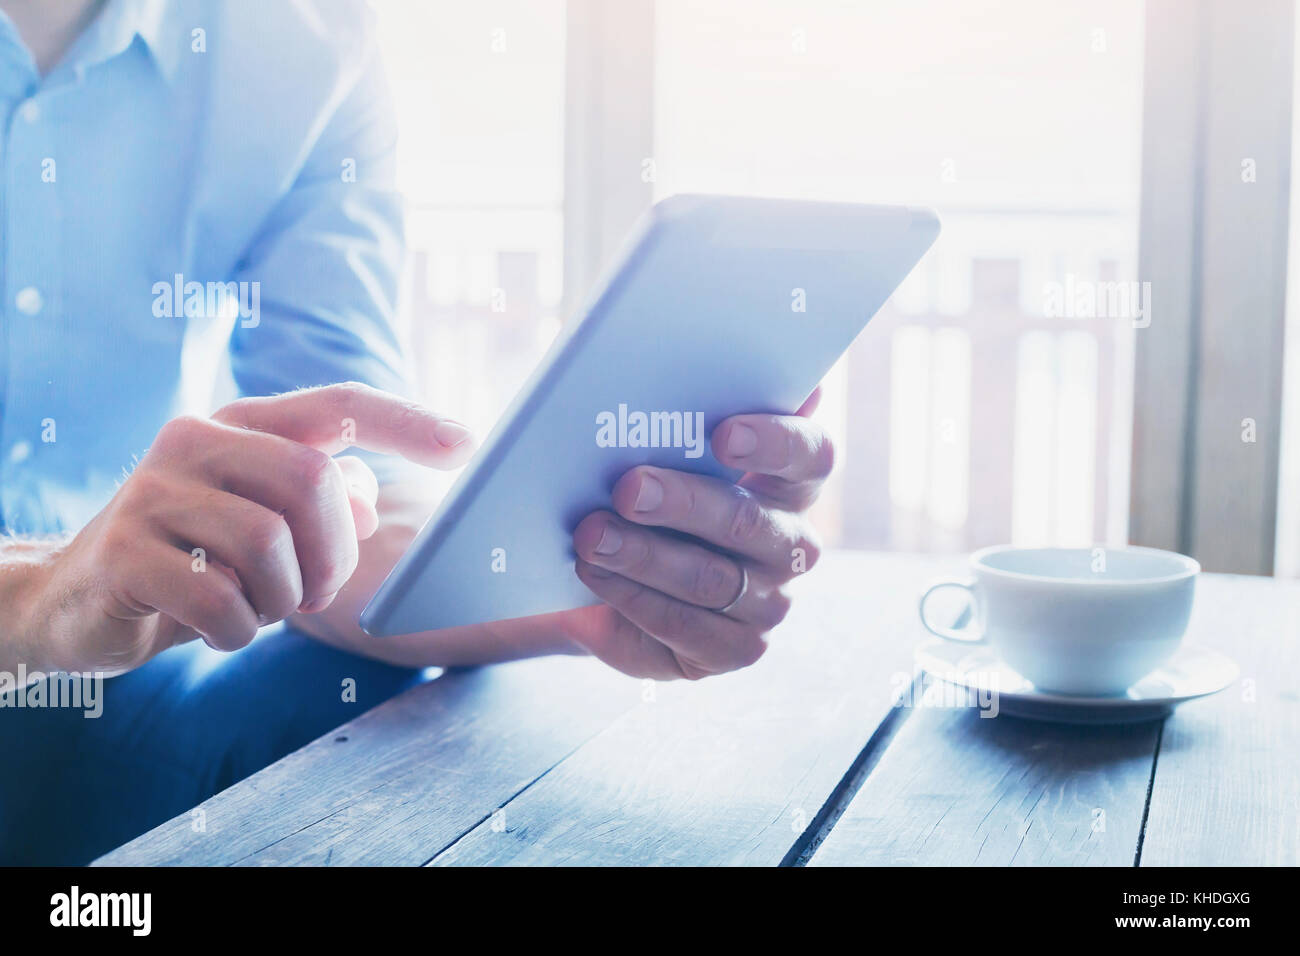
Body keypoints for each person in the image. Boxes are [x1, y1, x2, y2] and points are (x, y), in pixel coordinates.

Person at [0, 0, 833, 864]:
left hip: (119, 670)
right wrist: (41, 595)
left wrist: (580, 581)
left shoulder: (300, 42)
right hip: (44, 636)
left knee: (344, 696)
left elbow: (351, 496)